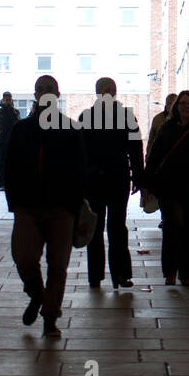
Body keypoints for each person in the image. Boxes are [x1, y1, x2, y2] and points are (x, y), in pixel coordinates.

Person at [4, 75, 87, 337]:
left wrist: (74, 205)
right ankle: (38, 295)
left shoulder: (71, 131)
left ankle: (50, 317)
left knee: (57, 265)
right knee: (24, 259)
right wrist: (15, 203)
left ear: (57, 94)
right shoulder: (21, 129)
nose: (46, 93)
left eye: (50, 89)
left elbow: (80, 170)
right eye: (41, 89)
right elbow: (10, 166)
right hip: (27, 207)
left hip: (61, 208)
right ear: (35, 95)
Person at [143, 90, 189, 286]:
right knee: (171, 227)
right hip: (170, 187)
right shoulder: (167, 129)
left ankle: (187, 273)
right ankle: (169, 272)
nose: (186, 107)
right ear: (176, 107)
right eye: (182, 103)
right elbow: (154, 156)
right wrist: (148, 183)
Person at [78, 77, 144, 289]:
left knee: (117, 227)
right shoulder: (87, 117)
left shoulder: (124, 117)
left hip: (116, 178)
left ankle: (120, 275)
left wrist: (139, 177)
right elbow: (79, 152)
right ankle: (97, 276)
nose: (109, 93)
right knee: (96, 229)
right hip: (98, 179)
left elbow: (136, 149)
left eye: (111, 90)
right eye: (105, 90)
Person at [145, 94, 177, 228]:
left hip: (179, 165)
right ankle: (166, 217)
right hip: (162, 165)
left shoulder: (183, 119)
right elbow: (151, 141)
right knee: (164, 194)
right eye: (170, 102)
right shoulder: (158, 119)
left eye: (174, 102)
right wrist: (148, 159)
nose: (171, 105)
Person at [0, 92, 20, 190]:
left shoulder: (15, 113)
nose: (7, 101)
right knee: (0, 164)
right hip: (0, 143)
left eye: (9, 99)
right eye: (6, 99)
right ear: (2, 100)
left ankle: (10, 183)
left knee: (11, 164)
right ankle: (1, 184)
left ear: (11, 100)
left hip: (12, 144)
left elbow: (18, 127)